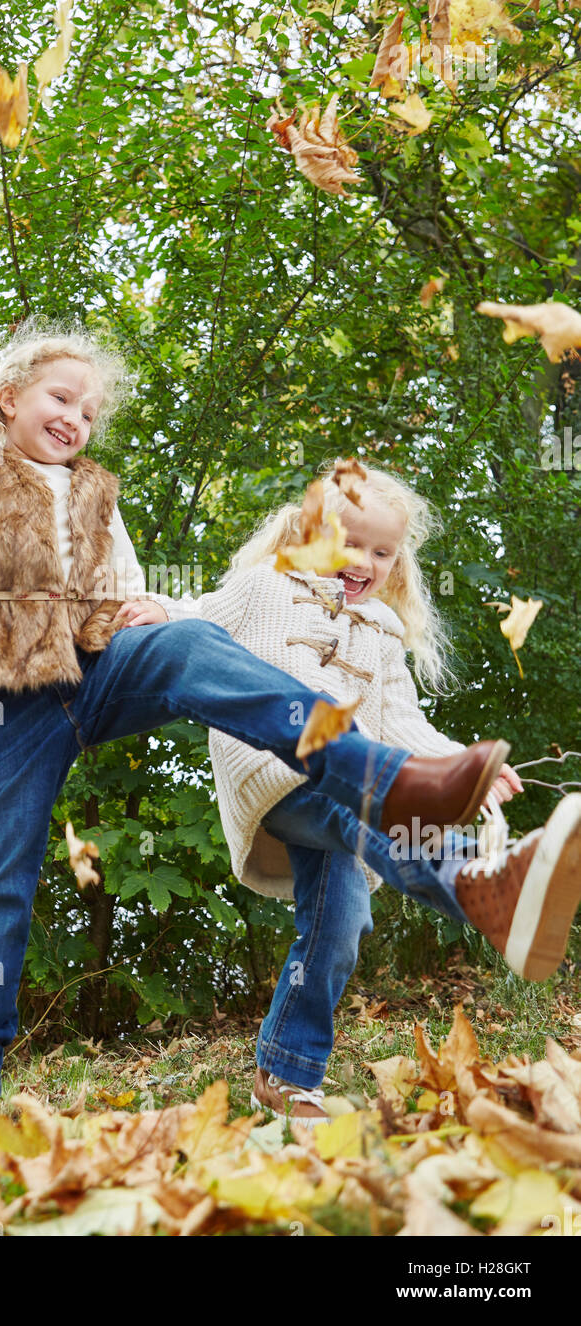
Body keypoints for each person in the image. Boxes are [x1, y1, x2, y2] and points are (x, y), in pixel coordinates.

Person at [0, 184, 570, 1142]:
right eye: (59, 397)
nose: (76, 416)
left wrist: (151, 610)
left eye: (88, 407)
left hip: (101, 670)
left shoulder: (97, 495)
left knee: (190, 644)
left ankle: (390, 783)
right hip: (14, 699)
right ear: (8, 400)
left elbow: (137, 601)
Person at [152, 458, 581, 1126]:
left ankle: (284, 1072)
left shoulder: (380, 631)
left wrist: (465, 767)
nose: (367, 562)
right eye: (352, 544)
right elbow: (197, 616)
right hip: (279, 774)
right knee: (374, 815)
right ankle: (481, 883)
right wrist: (151, 608)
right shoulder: (265, 586)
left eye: (383, 552)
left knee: (339, 925)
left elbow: (405, 722)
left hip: (354, 789)